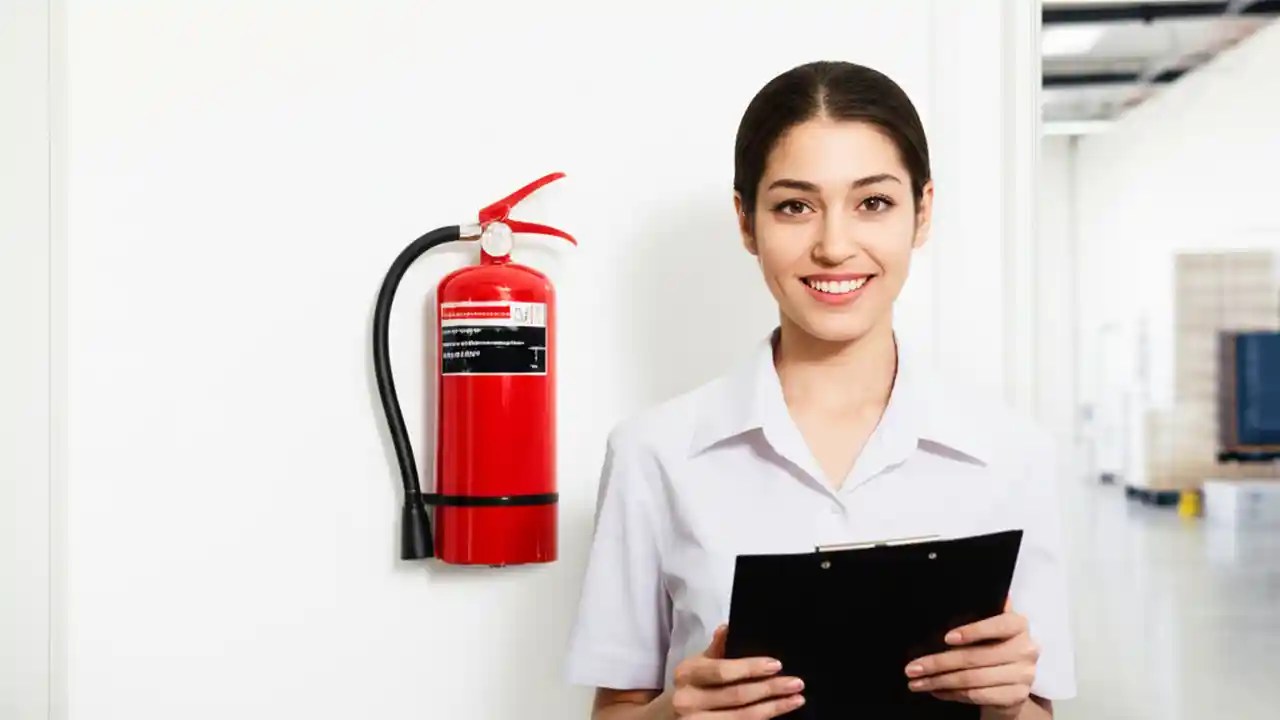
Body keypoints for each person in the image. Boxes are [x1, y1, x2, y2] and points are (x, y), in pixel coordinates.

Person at [565, 61, 1076, 719]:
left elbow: (1037, 711)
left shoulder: (1012, 455)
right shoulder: (653, 452)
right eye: (795, 206)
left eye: (873, 203)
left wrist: (1005, 706)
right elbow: (614, 710)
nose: (834, 246)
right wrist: (675, 713)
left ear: (922, 212)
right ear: (746, 222)